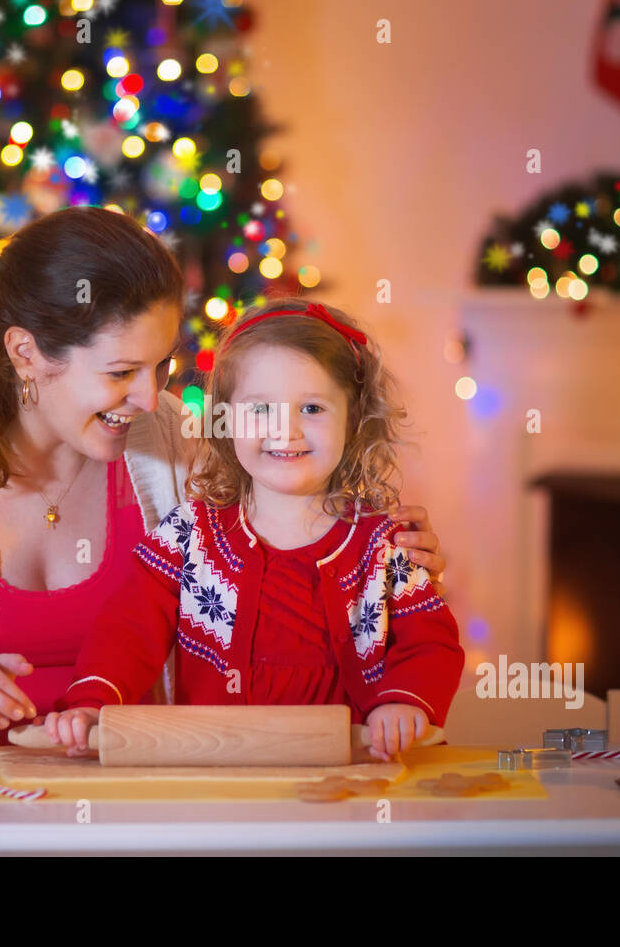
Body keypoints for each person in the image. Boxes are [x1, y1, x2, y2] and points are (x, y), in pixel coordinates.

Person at [0, 206, 450, 752]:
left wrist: (386, 555)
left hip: (146, 795)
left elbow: (287, 536)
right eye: (122, 371)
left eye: (162, 365)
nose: (152, 398)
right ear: (25, 353)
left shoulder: (176, 438)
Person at [43, 299, 464, 761]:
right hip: (216, 782)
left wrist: (404, 702)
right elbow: (128, 631)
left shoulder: (386, 545)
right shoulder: (190, 537)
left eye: (312, 407)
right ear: (225, 419)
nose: (286, 431)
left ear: (356, 418)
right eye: (260, 408)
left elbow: (429, 642)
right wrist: (92, 701)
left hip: (349, 781)